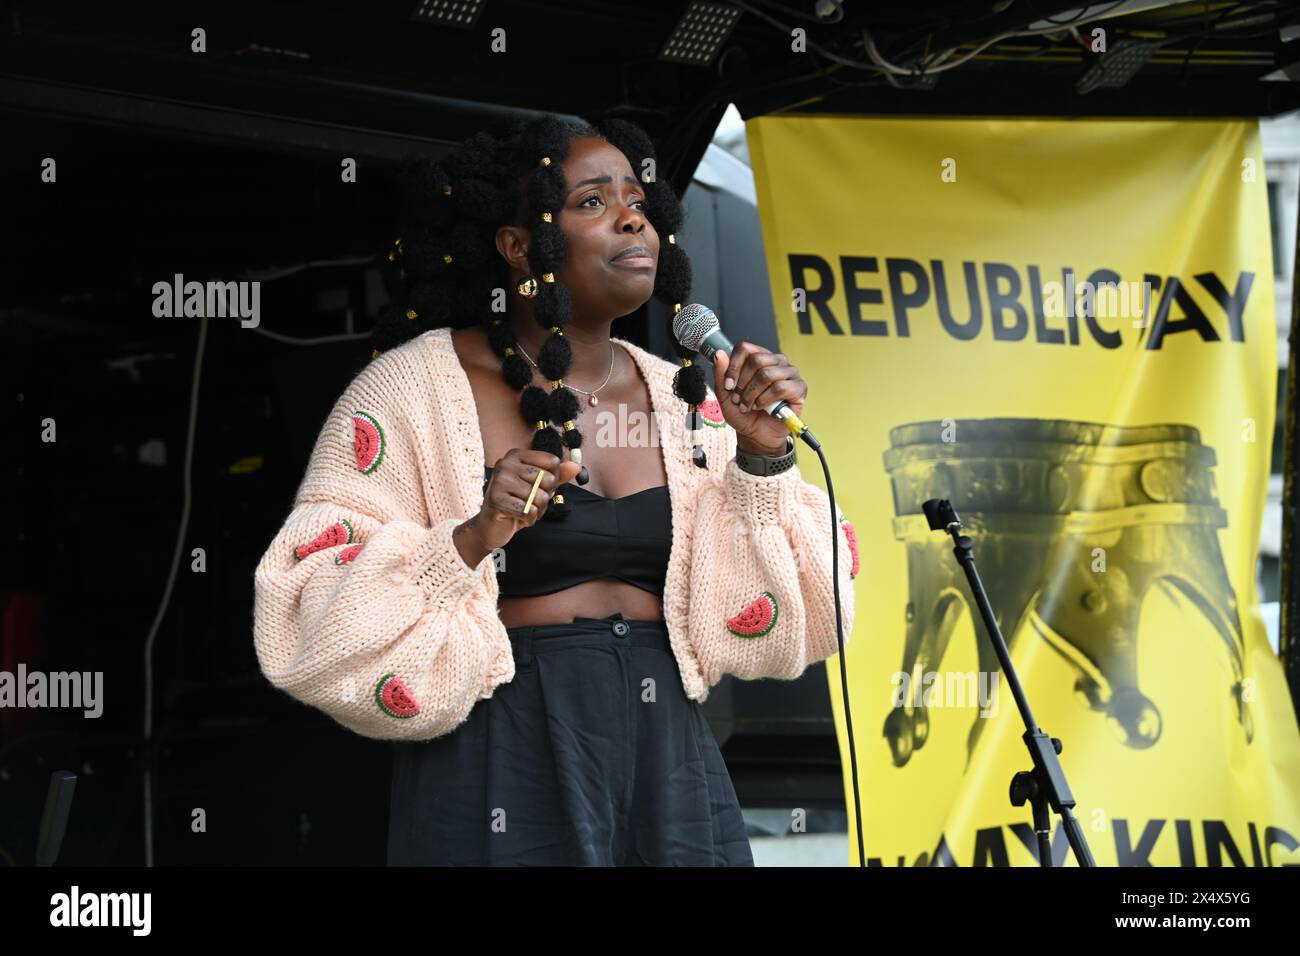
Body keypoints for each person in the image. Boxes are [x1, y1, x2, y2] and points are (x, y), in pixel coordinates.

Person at [252, 114, 860, 866]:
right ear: (516, 247)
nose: (633, 217)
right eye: (593, 202)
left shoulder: (686, 399)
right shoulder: (412, 389)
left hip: (666, 758)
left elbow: (803, 619)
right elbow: (306, 606)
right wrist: (469, 538)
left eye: (639, 200)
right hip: (500, 755)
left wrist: (762, 456)